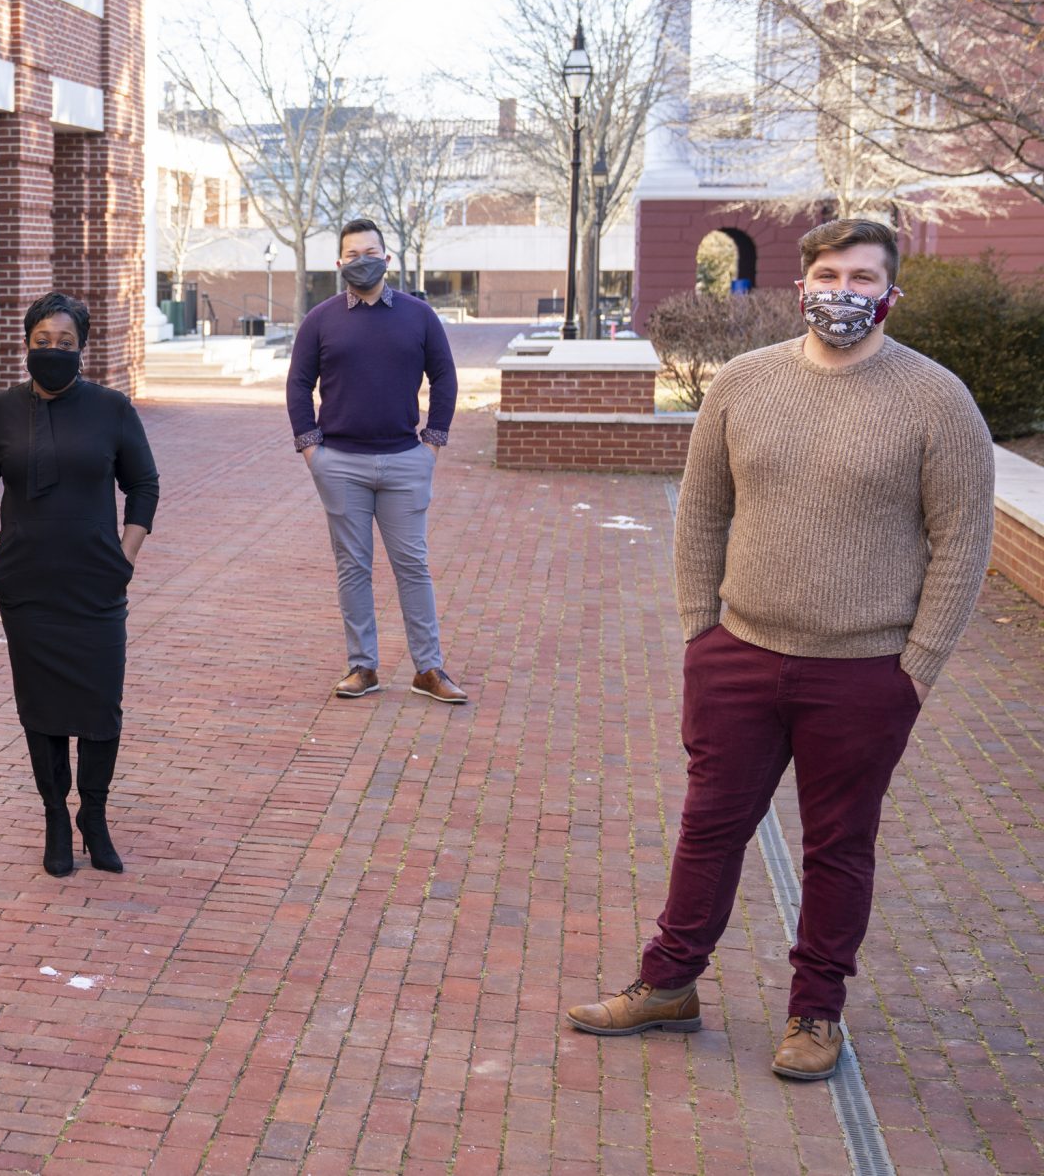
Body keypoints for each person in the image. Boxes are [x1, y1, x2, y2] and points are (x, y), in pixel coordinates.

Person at [567, 218, 996, 1081]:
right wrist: (700, 629)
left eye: (863, 277)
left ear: (890, 292)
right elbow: (702, 512)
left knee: (838, 845)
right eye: (829, 273)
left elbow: (962, 541)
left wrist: (914, 671)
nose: (844, 290)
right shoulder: (743, 383)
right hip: (740, 654)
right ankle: (669, 985)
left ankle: (816, 1012)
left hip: (866, 671)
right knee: (709, 828)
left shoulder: (937, 400)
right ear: (801, 286)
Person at [0, 292, 160, 877]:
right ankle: (53, 817)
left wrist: (125, 556)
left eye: (64, 344)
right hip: (27, 585)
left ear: (82, 348)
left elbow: (143, 486)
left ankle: (93, 817)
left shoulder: (112, 409)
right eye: (42, 342)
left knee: (101, 705)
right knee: (41, 708)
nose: (52, 352)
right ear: (26, 344)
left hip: (96, 582)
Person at [286, 217, 465, 704]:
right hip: (340, 462)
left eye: (372, 252)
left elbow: (445, 377)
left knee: (413, 566)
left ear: (388, 259)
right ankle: (363, 666)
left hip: (406, 460)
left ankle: (427, 668)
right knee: (352, 567)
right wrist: (310, 450)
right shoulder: (320, 320)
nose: (362, 261)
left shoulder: (418, 315)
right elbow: (298, 385)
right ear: (339, 263)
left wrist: (432, 444)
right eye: (353, 254)